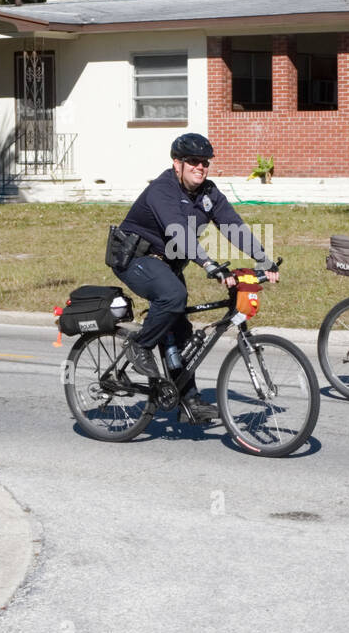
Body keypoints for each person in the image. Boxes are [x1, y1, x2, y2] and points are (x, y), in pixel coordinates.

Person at [107, 133, 278, 423]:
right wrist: (210, 265)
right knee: (173, 297)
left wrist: (264, 259)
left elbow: (232, 225)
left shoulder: (207, 193)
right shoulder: (162, 190)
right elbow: (178, 232)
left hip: (168, 263)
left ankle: (189, 401)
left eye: (205, 162)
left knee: (183, 334)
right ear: (177, 164)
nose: (201, 167)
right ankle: (140, 346)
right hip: (135, 258)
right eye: (193, 162)